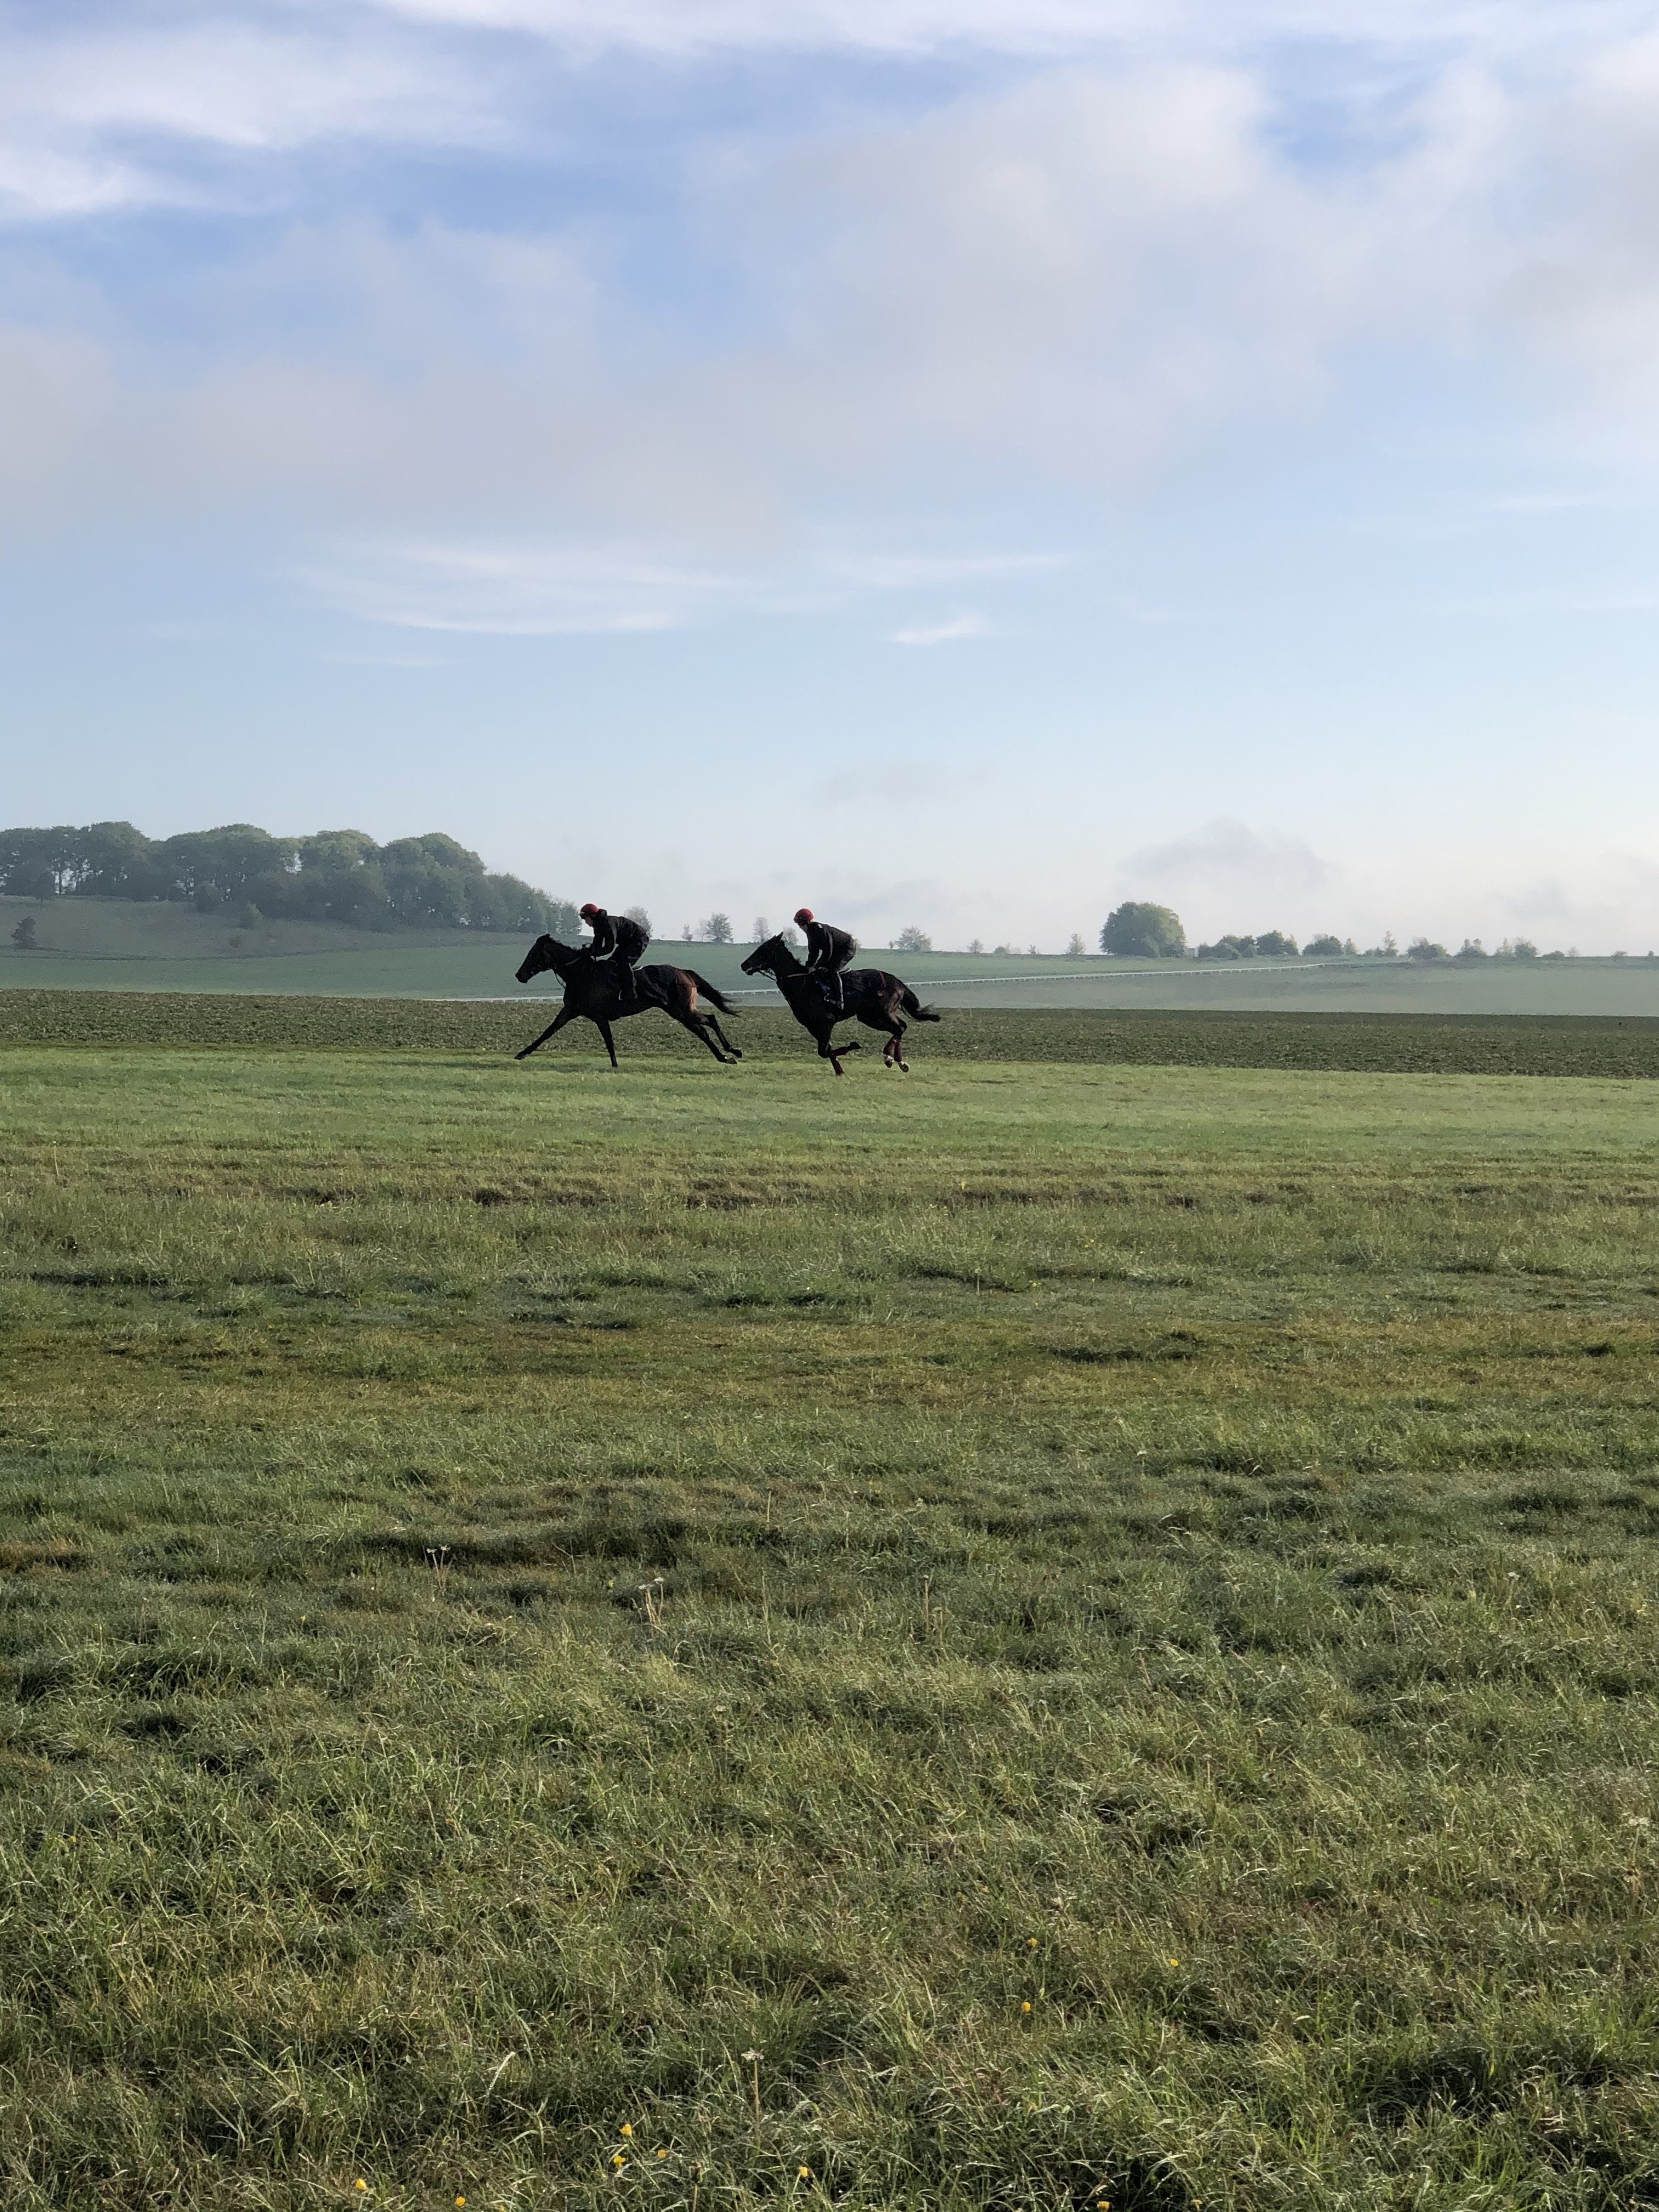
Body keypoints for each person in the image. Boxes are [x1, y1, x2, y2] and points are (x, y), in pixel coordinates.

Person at [579, 902, 650, 1005]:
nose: (586, 923)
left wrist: (592, 953)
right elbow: (597, 944)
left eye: (586, 919)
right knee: (612, 963)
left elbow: (609, 948)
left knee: (624, 961)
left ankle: (631, 992)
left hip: (638, 939)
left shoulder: (608, 924)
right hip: (626, 942)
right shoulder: (598, 926)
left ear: (593, 916)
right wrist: (589, 951)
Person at [794, 906, 856, 1017]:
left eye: (802, 925)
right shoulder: (811, 934)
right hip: (836, 950)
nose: (801, 928)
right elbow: (813, 953)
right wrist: (808, 967)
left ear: (807, 922)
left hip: (847, 948)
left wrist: (818, 965)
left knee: (832, 970)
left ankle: (839, 1001)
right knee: (821, 970)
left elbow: (829, 950)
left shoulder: (820, 930)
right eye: (800, 926)